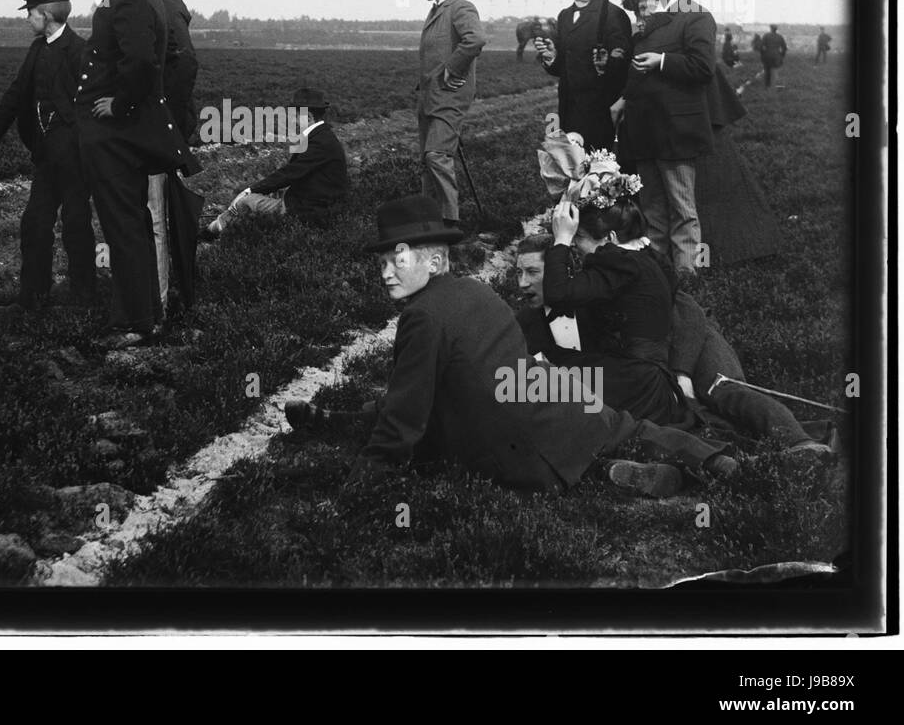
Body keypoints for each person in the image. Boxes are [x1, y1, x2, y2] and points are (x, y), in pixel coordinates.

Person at [287, 194, 737, 498]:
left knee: (529, 458)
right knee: (628, 428)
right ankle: (714, 460)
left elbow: (405, 420)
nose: (387, 272)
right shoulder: (475, 291)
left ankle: (609, 473)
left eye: (398, 260)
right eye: (383, 262)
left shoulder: (421, 317)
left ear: (435, 259)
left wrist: (358, 487)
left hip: (517, 446)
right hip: (555, 400)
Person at [514, 233, 832, 461]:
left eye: (532, 272)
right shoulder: (527, 324)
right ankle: (719, 461)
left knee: (720, 392)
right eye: (518, 273)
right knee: (684, 418)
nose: (522, 283)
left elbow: (688, 311)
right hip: (655, 373)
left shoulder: (605, 290)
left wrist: (682, 373)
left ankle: (800, 442)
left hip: (692, 341)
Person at [77, 0, 194, 347]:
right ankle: (142, 314)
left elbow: (142, 63)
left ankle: (132, 323)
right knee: (133, 224)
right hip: (122, 136)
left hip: (116, 137)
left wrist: (119, 104)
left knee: (124, 226)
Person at [620, 0, 780, 266]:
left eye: (646, 6)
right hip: (657, 128)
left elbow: (701, 68)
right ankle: (665, 272)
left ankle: (696, 269)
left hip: (688, 122)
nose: (642, 15)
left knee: (694, 198)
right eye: (638, 10)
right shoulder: (648, 30)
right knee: (659, 205)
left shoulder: (691, 17)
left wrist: (662, 61)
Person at [0, 0, 96, 312]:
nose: (28, 19)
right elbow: (16, 93)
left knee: (75, 227)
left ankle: (83, 300)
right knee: (35, 225)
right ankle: (33, 299)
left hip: (74, 160)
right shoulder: (36, 49)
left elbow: (88, 108)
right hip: (45, 158)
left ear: (46, 14)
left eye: (31, 13)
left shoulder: (80, 51)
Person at [542, 168, 693, 426]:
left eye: (581, 238)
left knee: (534, 383)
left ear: (610, 239)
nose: (576, 247)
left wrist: (561, 240)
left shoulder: (618, 264)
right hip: (650, 378)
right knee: (558, 369)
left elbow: (557, 294)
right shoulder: (649, 258)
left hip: (636, 382)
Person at [608, 0, 716, 277]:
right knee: (652, 208)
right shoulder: (652, 18)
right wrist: (625, 98)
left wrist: (663, 60)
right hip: (645, 129)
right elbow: (639, 71)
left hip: (676, 131)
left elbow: (703, 67)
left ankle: (688, 279)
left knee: (682, 208)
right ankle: (656, 276)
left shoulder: (697, 16)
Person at [141, 0, 200, 315]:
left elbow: (185, 63)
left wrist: (168, 127)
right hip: (153, 129)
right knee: (154, 216)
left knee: (158, 217)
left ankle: (160, 305)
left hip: (160, 131)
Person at [202, 87, 348, 239]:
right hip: (319, 205)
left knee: (244, 202)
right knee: (268, 194)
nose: (293, 121)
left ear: (309, 117)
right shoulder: (323, 136)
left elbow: (290, 173)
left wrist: (250, 190)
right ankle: (219, 226)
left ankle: (210, 232)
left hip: (307, 210)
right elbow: (296, 174)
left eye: (295, 117)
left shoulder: (318, 142)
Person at [413, 0, 486, 223]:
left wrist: (451, 69)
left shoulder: (461, 7)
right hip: (429, 98)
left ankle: (449, 222)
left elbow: (475, 39)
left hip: (450, 98)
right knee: (426, 161)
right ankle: (429, 219)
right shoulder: (436, 10)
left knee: (436, 155)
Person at [534, 0, 631, 150]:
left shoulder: (614, 15)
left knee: (600, 173)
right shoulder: (564, 16)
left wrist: (608, 64)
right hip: (569, 110)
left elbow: (623, 63)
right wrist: (552, 58)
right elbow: (564, 67)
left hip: (600, 112)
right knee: (572, 170)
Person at [760, 23, 787, 87]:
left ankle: (767, 86)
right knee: (775, 71)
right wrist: (781, 55)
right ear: (776, 29)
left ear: (771, 29)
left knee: (767, 71)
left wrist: (763, 55)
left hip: (767, 56)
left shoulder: (766, 36)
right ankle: (774, 86)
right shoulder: (780, 36)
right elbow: (784, 48)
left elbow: (761, 47)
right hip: (776, 56)